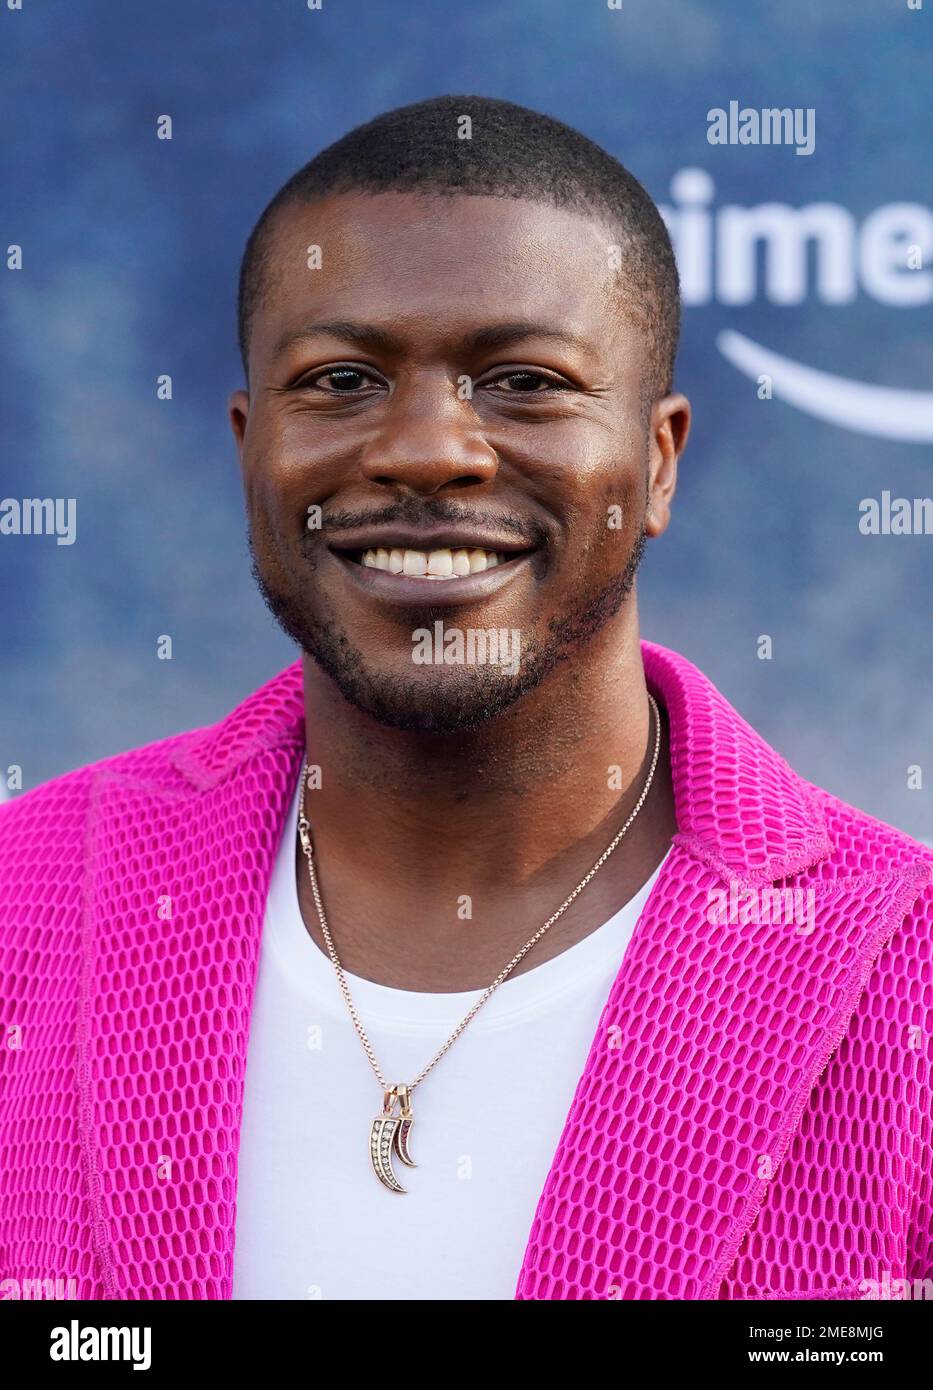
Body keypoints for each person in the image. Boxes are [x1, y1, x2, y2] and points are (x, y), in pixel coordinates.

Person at [1, 96, 930, 1303]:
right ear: (248, 448)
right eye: (340, 378)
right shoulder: (29, 896)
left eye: (525, 381)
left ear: (657, 462)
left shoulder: (905, 967)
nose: (430, 450)